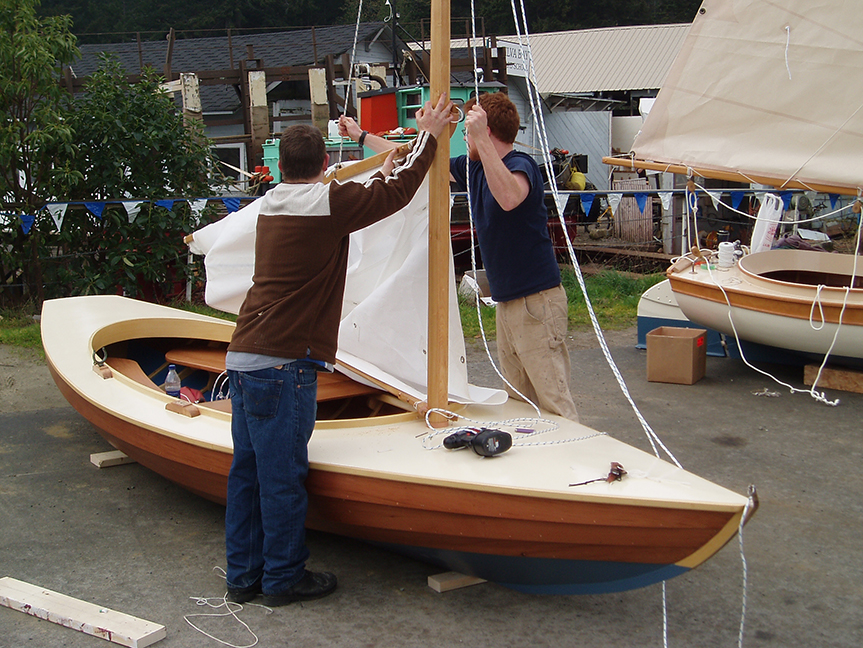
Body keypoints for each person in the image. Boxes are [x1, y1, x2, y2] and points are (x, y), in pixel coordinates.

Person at [225, 94, 454, 608]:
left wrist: (381, 168)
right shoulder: (325, 203)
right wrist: (432, 135)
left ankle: (243, 578)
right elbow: (397, 193)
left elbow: (360, 191)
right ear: (325, 161)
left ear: (280, 167)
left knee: (248, 475)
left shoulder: (274, 203)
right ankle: (283, 579)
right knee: (282, 478)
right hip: (282, 363)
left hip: (244, 356)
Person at [340, 92, 578, 421]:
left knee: (553, 398)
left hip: (536, 302)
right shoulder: (474, 167)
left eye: (469, 132)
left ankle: (574, 450)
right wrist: (361, 136)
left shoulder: (520, 166)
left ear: (486, 132)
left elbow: (509, 197)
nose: (465, 138)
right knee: (520, 399)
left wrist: (481, 138)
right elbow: (411, 156)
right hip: (508, 302)